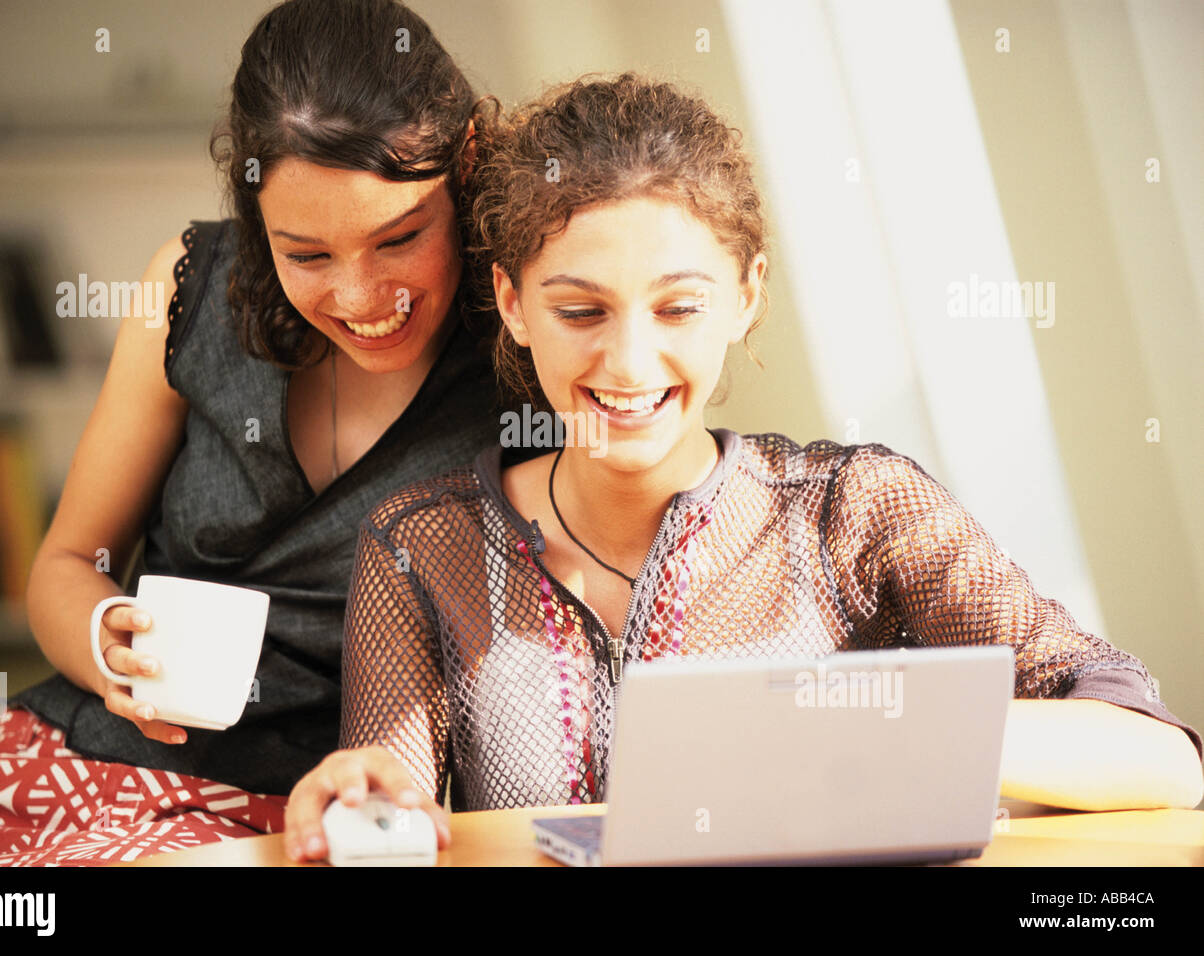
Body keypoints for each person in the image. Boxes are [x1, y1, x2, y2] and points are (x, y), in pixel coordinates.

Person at [283, 72, 1204, 861]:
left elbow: (1161, 760)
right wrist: (354, 797)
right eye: (581, 312)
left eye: (678, 308)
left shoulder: (851, 511)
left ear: (745, 296)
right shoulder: (424, 544)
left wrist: (874, 719)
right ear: (513, 303)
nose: (631, 364)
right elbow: (385, 808)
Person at [0, 0, 504, 867]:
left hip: (337, 811)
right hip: (91, 769)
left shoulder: (524, 343)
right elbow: (65, 566)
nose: (363, 297)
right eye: (306, 255)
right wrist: (108, 647)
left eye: (400, 237)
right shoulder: (191, 288)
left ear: (469, 161)